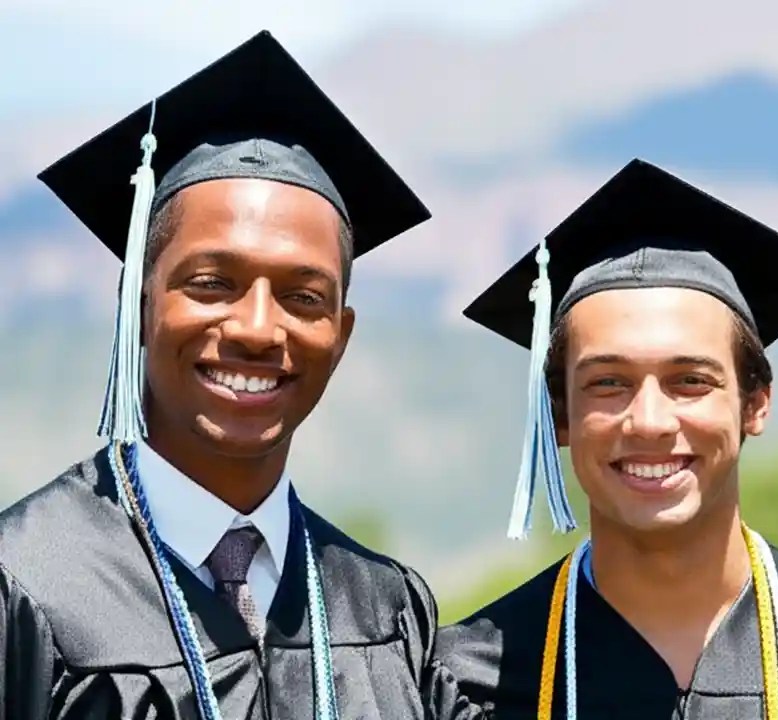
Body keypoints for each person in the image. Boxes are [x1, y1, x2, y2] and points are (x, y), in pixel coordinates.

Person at [0, 31, 482, 719]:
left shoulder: (387, 610)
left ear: (340, 338)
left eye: (304, 297)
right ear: (138, 308)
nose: (258, 328)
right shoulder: (23, 584)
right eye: (211, 283)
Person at [435, 159, 778, 719]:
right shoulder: (470, 676)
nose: (649, 421)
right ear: (559, 417)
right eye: (608, 383)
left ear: (755, 402)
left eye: (690, 381)